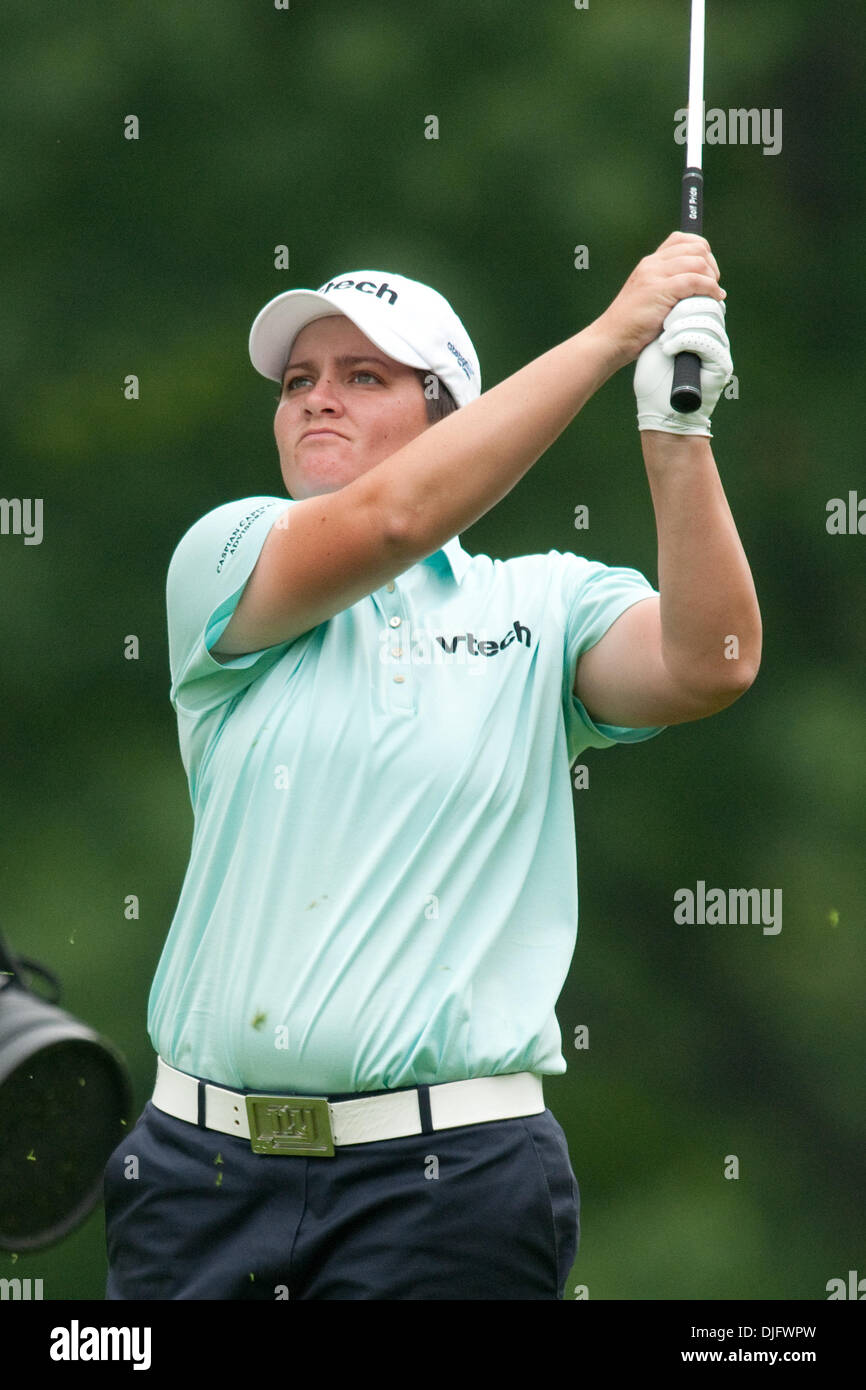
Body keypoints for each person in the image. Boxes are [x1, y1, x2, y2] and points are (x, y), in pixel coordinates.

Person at [103, 234, 761, 1301]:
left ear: (448, 416)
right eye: (298, 380)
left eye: (364, 376)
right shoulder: (224, 555)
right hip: (199, 1173)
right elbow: (392, 518)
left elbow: (710, 662)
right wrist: (608, 335)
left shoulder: (541, 606)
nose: (318, 399)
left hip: (446, 1184)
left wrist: (674, 432)